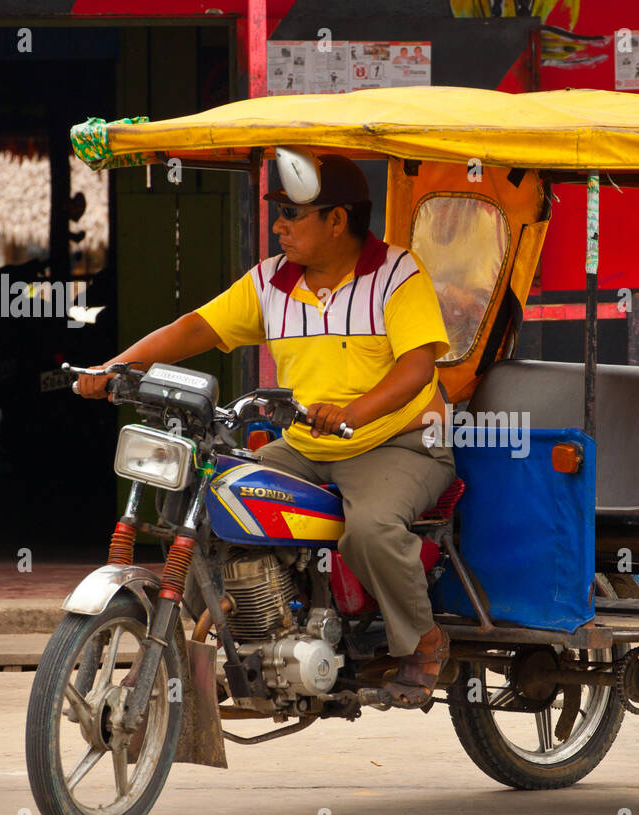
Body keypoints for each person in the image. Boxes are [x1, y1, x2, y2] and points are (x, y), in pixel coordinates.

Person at [77, 151, 455, 707]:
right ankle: (218, 640)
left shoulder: (397, 275)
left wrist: (354, 413)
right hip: (305, 445)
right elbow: (195, 328)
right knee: (215, 499)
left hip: (400, 443)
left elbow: (417, 368)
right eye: (278, 213)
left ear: (337, 220)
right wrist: (115, 367)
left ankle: (422, 642)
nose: (278, 226)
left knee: (370, 529)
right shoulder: (271, 280)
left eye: (291, 214)